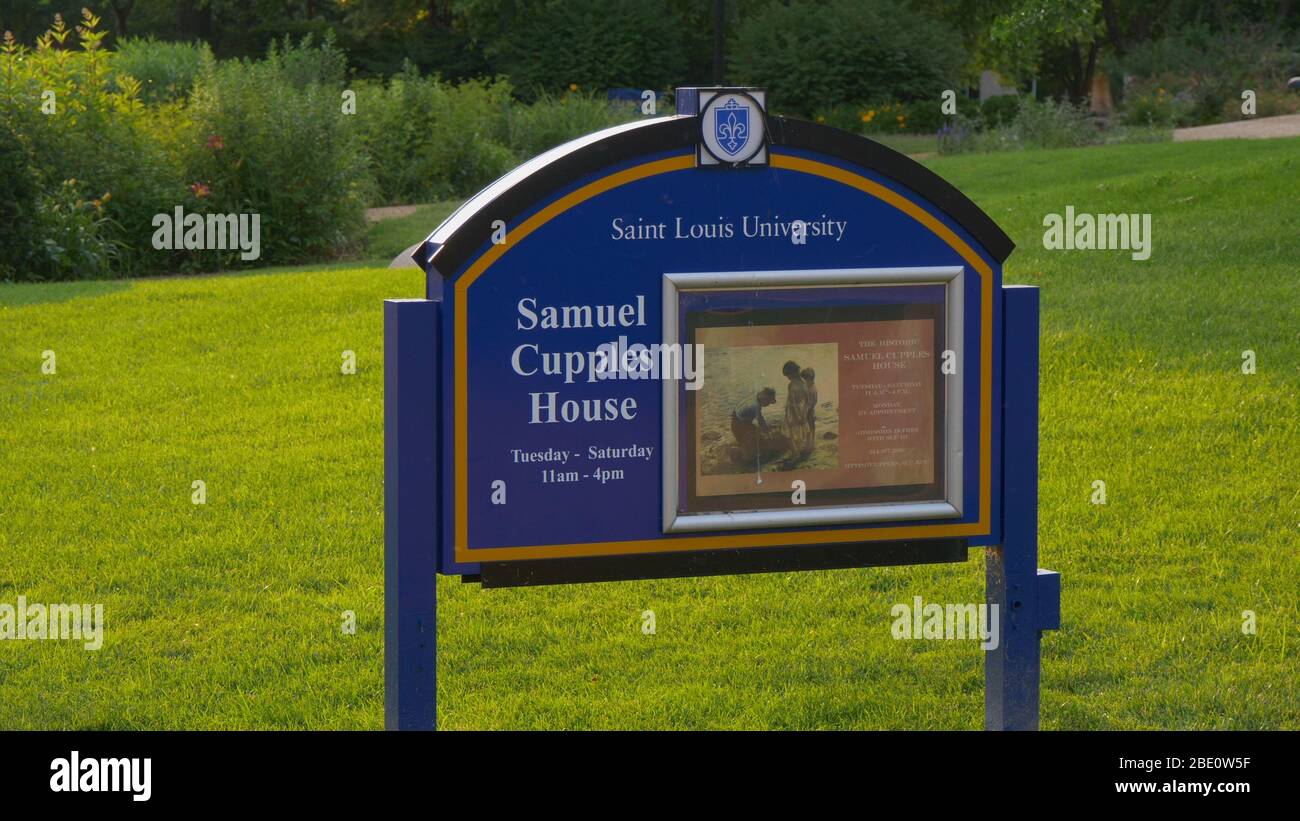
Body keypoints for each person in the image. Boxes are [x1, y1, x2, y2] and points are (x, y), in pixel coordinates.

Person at [782, 360, 813, 461]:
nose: (788, 377)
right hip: (802, 409)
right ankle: (807, 448)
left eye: (788, 375)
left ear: (792, 372)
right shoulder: (804, 383)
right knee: (804, 429)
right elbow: (808, 401)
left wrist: (797, 415)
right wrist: (804, 414)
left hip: (793, 411)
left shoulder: (791, 384)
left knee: (787, 433)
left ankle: (795, 454)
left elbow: (792, 402)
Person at [731, 387, 777, 455]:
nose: (768, 405)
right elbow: (760, 420)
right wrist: (767, 432)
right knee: (758, 438)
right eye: (768, 402)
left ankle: (742, 448)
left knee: (755, 434)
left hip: (737, 422)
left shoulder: (753, 398)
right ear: (764, 398)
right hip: (739, 425)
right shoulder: (756, 405)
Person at [801, 367, 818, 440]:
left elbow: (811, 402)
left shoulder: (811, 389)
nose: (804, 381)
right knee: (810, 425)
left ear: (810, 378)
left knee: (809, 426)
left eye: (805, 379)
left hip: (809, 410)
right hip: (809, 409)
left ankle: (810, 441)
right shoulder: (809, 386)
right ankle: (811, 440)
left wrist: (805, 412)